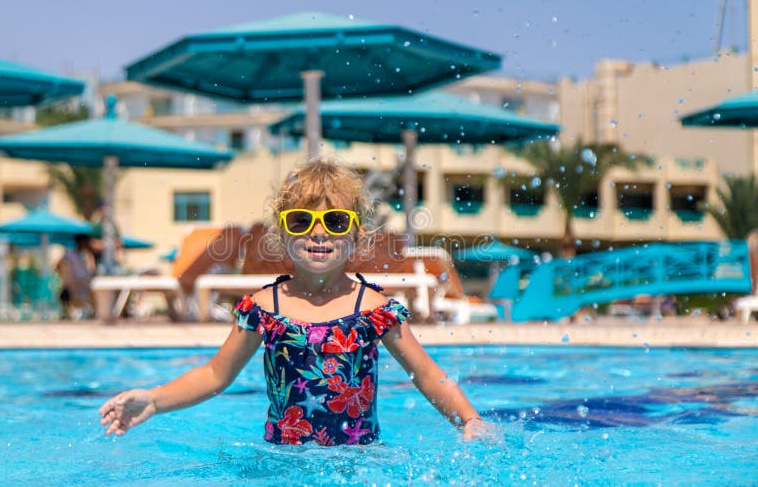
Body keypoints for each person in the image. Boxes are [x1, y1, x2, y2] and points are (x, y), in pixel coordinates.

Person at [99, 159, 498, 445]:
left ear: (356, 235)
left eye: (336, 222)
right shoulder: (263, 308)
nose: (319, 233)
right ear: (282, 236)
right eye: (301, 221)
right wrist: (153, 399)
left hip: (357, 463)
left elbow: (426, 374)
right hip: (282, 464)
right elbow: (213, 376)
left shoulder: (374, 310)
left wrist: (470, 419)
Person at [57, 233, 95, 319]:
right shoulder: (70, 254)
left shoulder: (84, 256)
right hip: (72, 286)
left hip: (83, 286)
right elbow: (59, 265)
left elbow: (90, 270)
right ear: (82, 242)